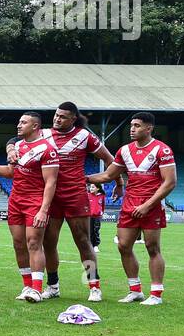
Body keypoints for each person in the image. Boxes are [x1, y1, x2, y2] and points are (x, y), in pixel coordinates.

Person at [9, 101, 116, 302]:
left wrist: (110, 180)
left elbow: (111, 160)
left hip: (75, 196)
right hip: (50, 198)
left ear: (73, 119)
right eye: (56, 115)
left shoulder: (85, 136)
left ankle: (93, 285)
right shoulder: (44, 133)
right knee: (49, 244)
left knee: (83, 242)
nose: (57, 119)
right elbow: (15, 139)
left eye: (63, 117)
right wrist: (9, 150)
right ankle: (53, 286)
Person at [86, 112, 176, 306]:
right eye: (131, 126)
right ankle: (135, 290)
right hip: (129, 204)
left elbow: (170, 182)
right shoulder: (124, 150)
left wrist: (147, 205)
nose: (132, 129)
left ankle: (156, 294)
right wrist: (82, 178)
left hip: (151, 205)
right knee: (123, 245)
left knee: (153, 248)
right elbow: (108, 175)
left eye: (137, 125)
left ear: (149, 128)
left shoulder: (162, 150)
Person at [0, 113, 60, 303]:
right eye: (19, 122)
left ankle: (37, 290)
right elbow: (10, 173)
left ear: (35, 126)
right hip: (15, 201)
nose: (19, 125)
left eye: (23, 122)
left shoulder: (47, 149)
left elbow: (51, 182)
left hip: (35, 201)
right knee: (18, 244)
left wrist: (44, 209)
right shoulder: (18, 146)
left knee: (34, 243)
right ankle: (27, 286)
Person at [87, 183, 104, 253]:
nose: (91, 188)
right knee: (90, 231)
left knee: (96, 230)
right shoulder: (88, 195)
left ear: (98, 188)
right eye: (90, 187)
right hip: (90, 216)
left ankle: (96, 245)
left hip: (97, 216)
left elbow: (103, 205)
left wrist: (102, 212)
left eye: (93, 187)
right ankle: (91, 245)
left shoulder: (102, 196)